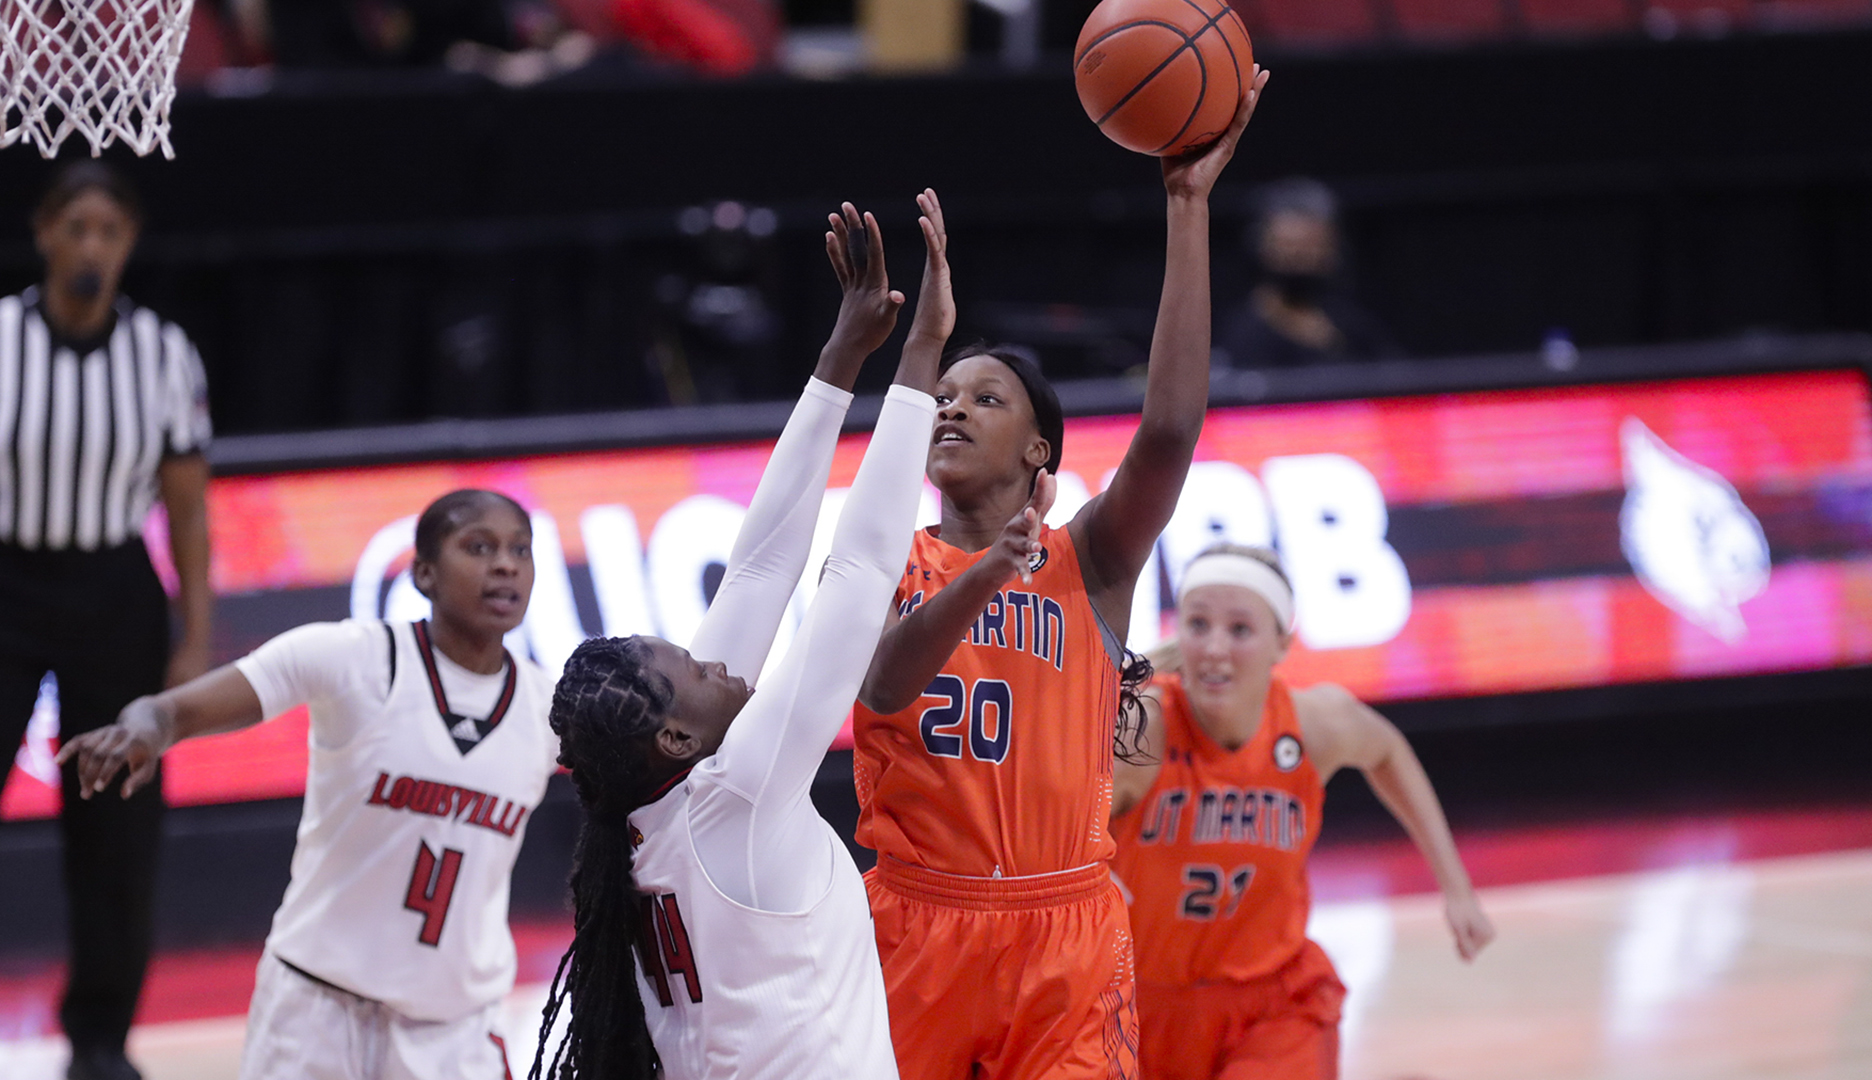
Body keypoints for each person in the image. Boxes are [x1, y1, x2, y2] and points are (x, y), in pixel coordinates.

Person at [850, 68, 1269, 1080]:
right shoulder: (881, 558)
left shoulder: (1093, 557)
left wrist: (1186, 206)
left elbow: (1170, 426)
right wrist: (989, 574)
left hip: (1065, 923)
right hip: (917, 921)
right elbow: (882, 686)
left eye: (986, 400)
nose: (951, 409)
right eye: (943, 395)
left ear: (1042, 452)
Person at [532, 194, 947, 1080]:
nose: (715, 657)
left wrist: (841, 358)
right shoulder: (740, 798)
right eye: (691, 664)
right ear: (674, 735)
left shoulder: (644, 822)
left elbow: (757, 571)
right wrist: (917, 364)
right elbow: (860, 574)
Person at [57, 488, 558, 1080]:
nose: (504, 564)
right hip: (316, 1012)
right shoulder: (352, 658)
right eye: (479, 547)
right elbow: (171, 712)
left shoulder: (552, 708)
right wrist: (140, 730)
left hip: (454, 1029)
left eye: (520, 551)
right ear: (424, 572)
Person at [0, 160, 214, 1080]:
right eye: (78, 228)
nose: (92, 245)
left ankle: (100, 1040)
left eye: (109, 230)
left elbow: (186, 509)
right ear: (45, 234)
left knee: (116, 828)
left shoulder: (164, 353)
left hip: (114, 593)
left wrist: (192, 636)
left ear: (129, 242)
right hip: (0, 588)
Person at [1109, 544, 1495, 1080]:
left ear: (1281, 644)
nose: (1215, 648)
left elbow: (1387, 751)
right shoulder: (1142, 731)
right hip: (1135, 1004)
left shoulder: (1315, 724)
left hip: (1274, 1003)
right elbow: (1053, 824)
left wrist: (1457, 889)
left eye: (1240, 630)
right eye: (1198, 624)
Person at [1218, 177, 1399, 370]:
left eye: (1313, 248)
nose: (1300, 259)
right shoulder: (1241, 333)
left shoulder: (1354, 325)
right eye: (1288, 248)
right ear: (1261, 247)